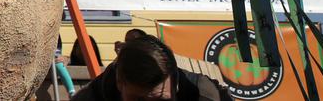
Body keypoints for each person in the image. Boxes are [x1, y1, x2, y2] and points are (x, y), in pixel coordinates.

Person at [73, 35, 231, 101]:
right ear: (119, 83)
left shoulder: (205, 95)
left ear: (175, 86)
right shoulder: (91, 98)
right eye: (138, 100)